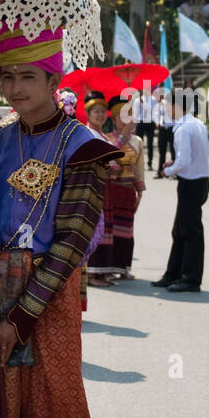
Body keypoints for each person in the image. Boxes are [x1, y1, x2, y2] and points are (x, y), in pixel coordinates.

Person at [0, 24, 122, 418]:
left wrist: (22, 317)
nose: (14, 87)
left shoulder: (83, 146)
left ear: (54, 81)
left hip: (49, 299)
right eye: (7, 75)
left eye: (27, 76)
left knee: (51, 406)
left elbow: (72, 242)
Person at [154, 91, 209, 293]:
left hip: (191, 184)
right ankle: (173, 274)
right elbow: (190, 158)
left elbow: (185, 161)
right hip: (198, 181)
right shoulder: (196, 124)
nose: (165, 109)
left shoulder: (183, 129)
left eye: (167, 105)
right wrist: (174, 165)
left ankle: (191, 278)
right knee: (180, 230)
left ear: (176, 106)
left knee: (190, 232)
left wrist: (167, 171)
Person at [87, 95, 145, 281]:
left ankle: (122, 266)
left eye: (130, 115)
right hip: (110, 187)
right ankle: (103, 268)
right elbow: (110, 155)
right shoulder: (109, 138)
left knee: (125, 230)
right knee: (107, 230)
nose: (126, 120)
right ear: (114, 119)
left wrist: (140, 190)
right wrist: (122, 137)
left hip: (127, 189)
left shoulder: (137, 141)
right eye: (122, 115)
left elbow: (139, 166)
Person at [80, 91, 118, 287]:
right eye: (96, 111)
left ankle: (102, 270)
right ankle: (93, 272)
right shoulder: (88, 134)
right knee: (96, 226)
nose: (100, 115)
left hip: (107, 185)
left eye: (103, 111)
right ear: (88, 113)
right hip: (96, 185)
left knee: (106, 227)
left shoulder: (103, 135)